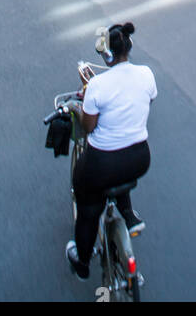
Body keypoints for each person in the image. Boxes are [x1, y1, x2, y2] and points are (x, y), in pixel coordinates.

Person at [66, 21, 156, 282]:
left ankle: (82, 262)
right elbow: (146, 99)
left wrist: (77, 106)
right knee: (121, 167)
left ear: (106, 55)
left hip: (101, 164)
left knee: (88, 209)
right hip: (139, 158)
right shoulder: (147, 74)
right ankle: (128, 215)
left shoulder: (97, 86)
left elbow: (89, 127)